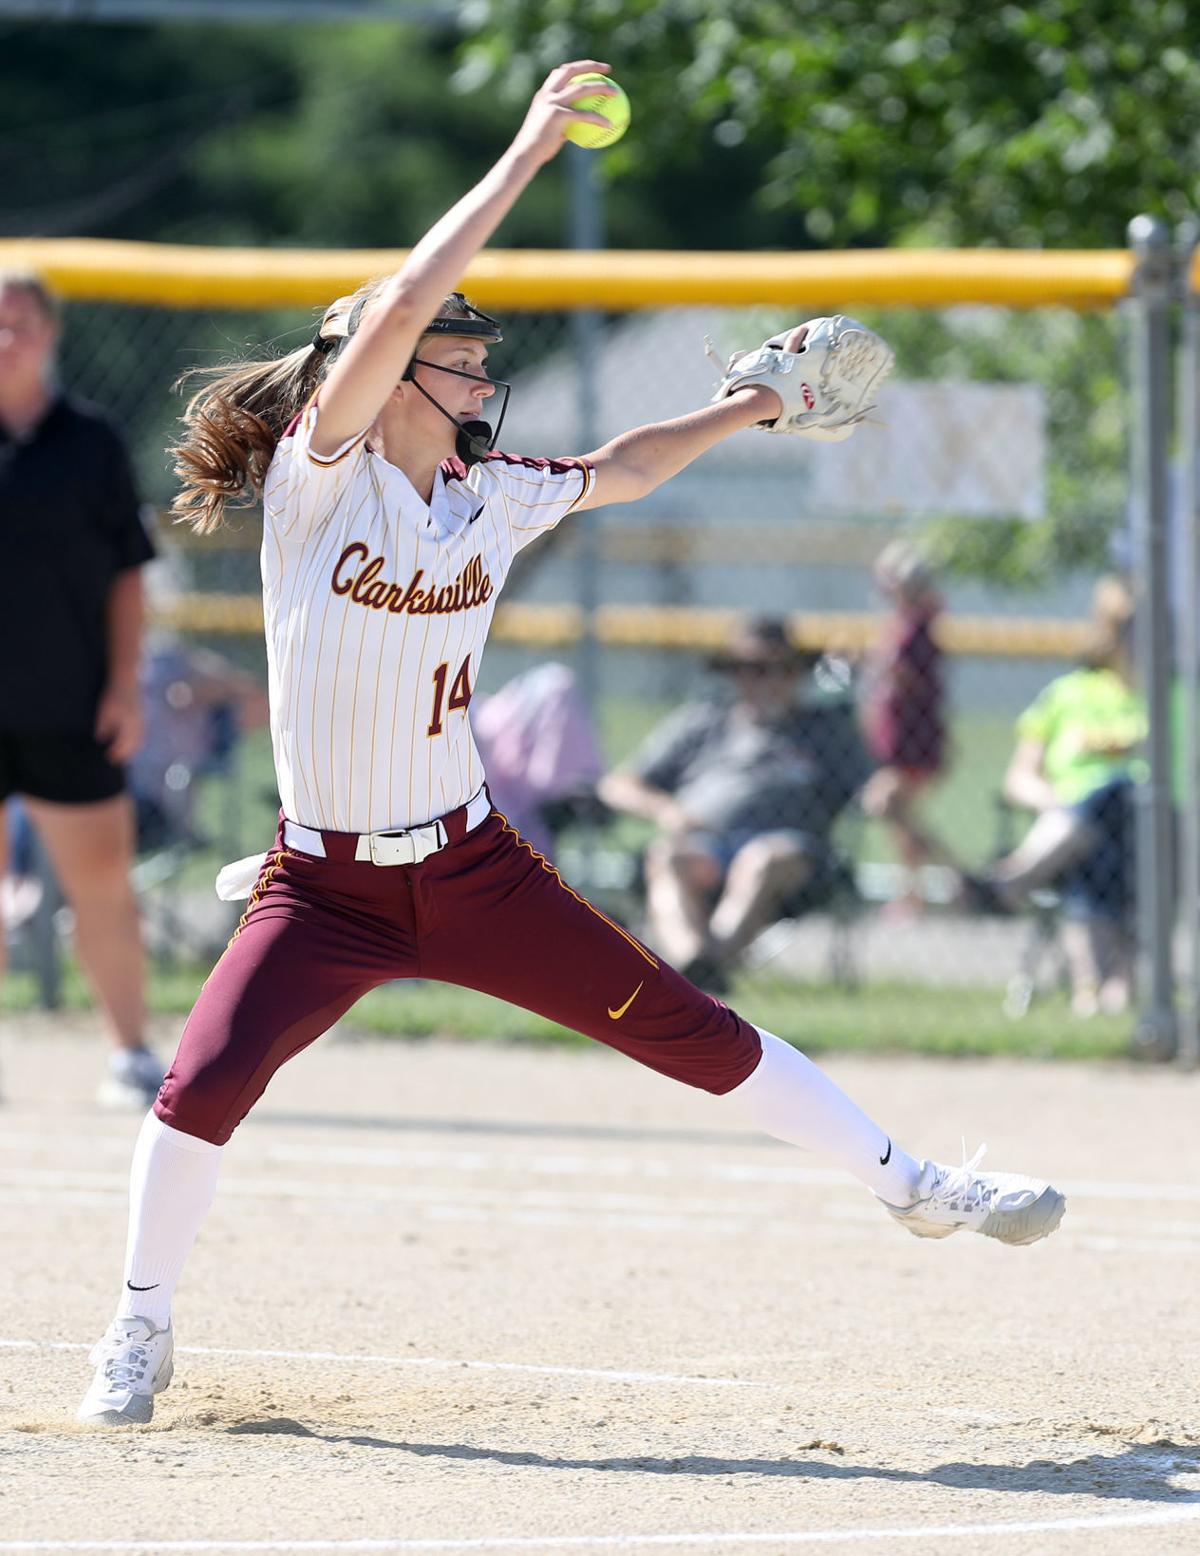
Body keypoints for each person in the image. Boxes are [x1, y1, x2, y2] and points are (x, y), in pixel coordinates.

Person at [76, 61, 1064, 1429]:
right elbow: (412, 299)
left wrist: (755, 401)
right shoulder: (320, 484)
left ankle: (918, 1186)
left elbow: (626, 466)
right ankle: (138, 1329)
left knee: (688, 1027)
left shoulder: (490, 499)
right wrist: (531, 151)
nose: (483, 370)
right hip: (325, 889)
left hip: (475, 869)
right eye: (460, 357)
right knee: (201, 1084)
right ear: (389, 370)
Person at [0, 269, 165, 1109]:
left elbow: (128, 576)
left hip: (70, 698)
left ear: (51, 332)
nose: (6, 337)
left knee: (101, 881)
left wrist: (125, 687)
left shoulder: (90, 442)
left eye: (21, 322)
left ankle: (131, 1053)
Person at [598, 617, 867, 991]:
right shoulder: (703, 723)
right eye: (750, 669)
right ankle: (691, 964)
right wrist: (666, 810)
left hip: (788, 849)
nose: (763, 681)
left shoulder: (822, 731)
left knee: (760, 859)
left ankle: (703, 973)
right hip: (705, 844)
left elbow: (871, 784)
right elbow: (617, 785)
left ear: (795, 674)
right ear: (733, 674)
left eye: (776, 670)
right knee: (668, 858)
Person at [975, 576, 1143, 1016]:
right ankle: (1112, 990)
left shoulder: (1168, 696)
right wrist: (1055, 808)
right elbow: (1020, 778)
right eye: (1122, 626)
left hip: (1150, 829)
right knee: (1093, 838)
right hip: (1074, 831)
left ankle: (1012, 880)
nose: (1131, 638)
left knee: (1117, 792)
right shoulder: (1068, 694)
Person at [858, 540, 966, 918]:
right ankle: (913, 893)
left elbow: (911, 679)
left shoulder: (919, 627)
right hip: (898, 738)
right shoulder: (903, 623)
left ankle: (958, 876)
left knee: (884, 804)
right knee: (901, 820)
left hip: (915, 739)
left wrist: (868, 665)